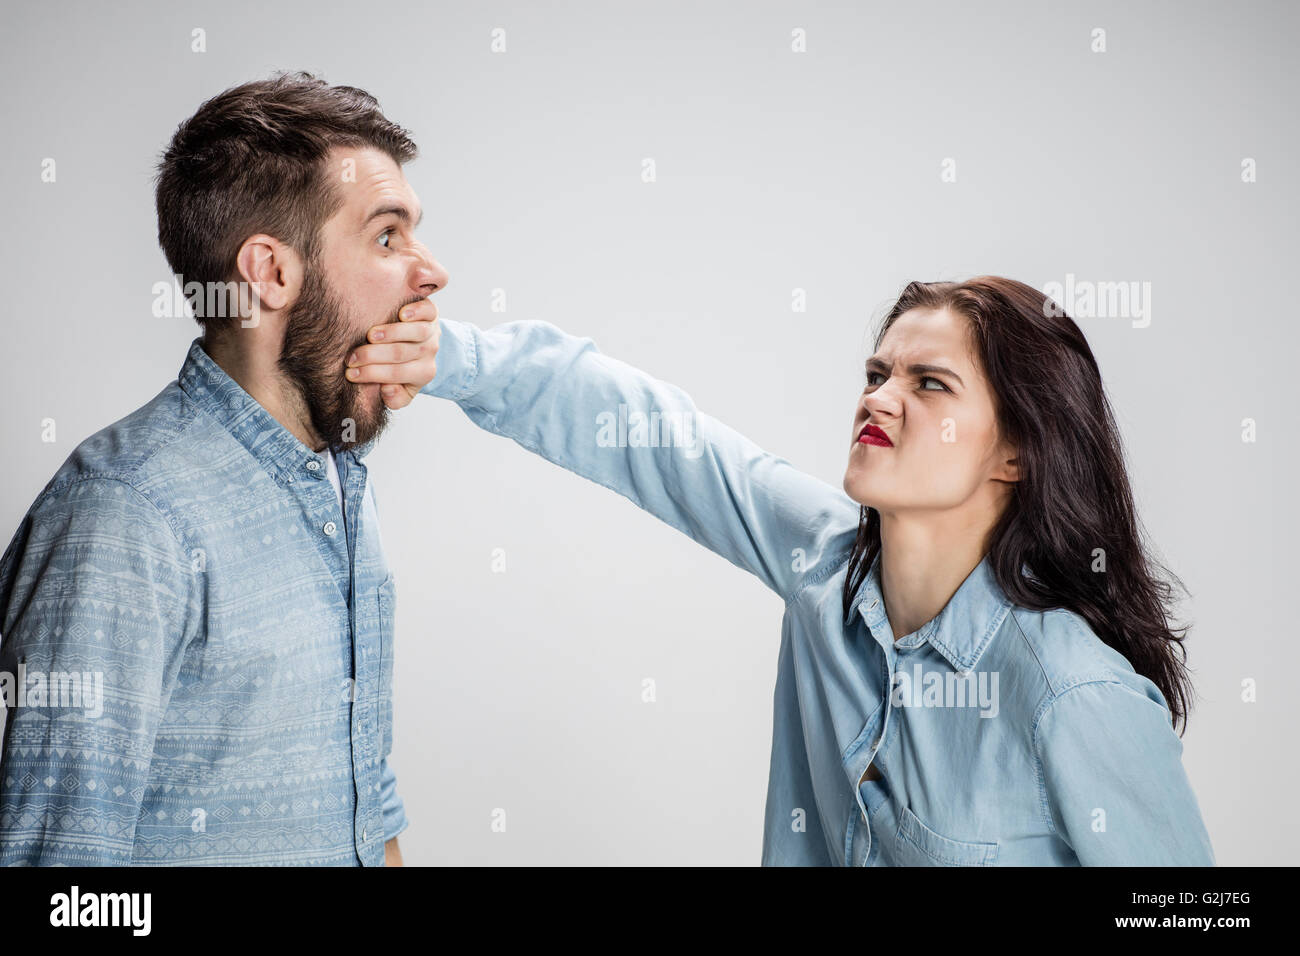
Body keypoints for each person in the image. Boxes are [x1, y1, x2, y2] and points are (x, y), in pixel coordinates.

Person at [362, 275, 1216, 865]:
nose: (879, 398)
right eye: (878, 373)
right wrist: (451, 357)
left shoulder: (1075, 695)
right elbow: (656, 435)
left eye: (930, 384)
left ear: (1016, 454)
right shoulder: (820, 563)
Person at [0, 72, 443, 865]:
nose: (431, 270)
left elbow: (366, 803)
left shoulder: (336, 476)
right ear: (270, 272)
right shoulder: (123, 518)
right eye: (387, 235)